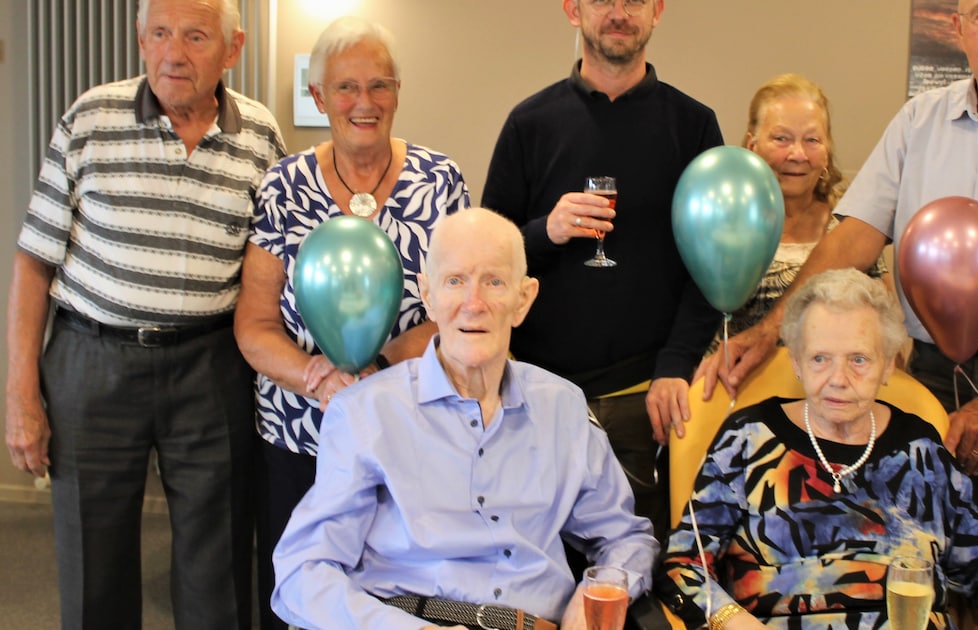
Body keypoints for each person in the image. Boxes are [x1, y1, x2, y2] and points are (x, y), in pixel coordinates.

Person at [697, 3, 978, 628]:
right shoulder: (919, 121)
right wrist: (768, 328)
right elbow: (853, 239)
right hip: (928, 377)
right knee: (918, 569)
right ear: (959, 29)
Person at [3, 0, 285, 628]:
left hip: (211, 366)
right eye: (158, 34)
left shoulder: (261, 135)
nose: (172, 53)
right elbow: (32, 263)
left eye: (194, 36)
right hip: (91, 361)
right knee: (92, 565)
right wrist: (20, 394)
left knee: (218, 569)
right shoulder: (90, 116)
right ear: (140, 39)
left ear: (233, 50)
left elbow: (271, 267)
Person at [270, 208, 658, 629]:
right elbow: (301, 572)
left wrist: (597, 595)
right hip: (419, 617)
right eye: (455, 281)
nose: (474, 304)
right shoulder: (366, 413)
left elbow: (626, 539)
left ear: (522, 300)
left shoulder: (562, 406)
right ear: (429, 295)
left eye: (494, 282)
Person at [232, 16, 469, 630]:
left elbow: (456, 313)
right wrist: (316, 375)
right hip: (299, 438)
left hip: (411, 436)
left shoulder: (441, 183)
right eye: (345, 88)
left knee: (404, 599)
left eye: (379, 85)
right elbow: (254, 325)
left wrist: (380, 370)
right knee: (297, 597)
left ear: (397, 92)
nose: (364, 103)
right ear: (318, 98)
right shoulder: (283, 186)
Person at [657, 269, 978, 630]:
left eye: (859, 360)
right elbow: (682, 565)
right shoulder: (748, 439)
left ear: (886, 367)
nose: (838, 379)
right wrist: (735, 622)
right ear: (796, 362)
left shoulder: (922, 449)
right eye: (820, 359)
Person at [482, 0, 723, 539]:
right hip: (538, 397)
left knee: (636, 572)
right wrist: (549, 230)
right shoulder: (530, 123)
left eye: (634, 0)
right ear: (573, 9)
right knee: (538, 574)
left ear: (657, 11)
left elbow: (711, 268)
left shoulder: (694, 125)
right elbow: (490, 259)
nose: (619, 11)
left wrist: (676, 365)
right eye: (602, 0)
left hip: (646, 400)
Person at [712, 73, 888, 349]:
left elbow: (887, 325)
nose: (797, 154)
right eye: (781, 138)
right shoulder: (722, 220)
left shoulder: (852, 222)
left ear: (827, 149)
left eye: (812, 140)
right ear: (752, 145)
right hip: (739, 383)